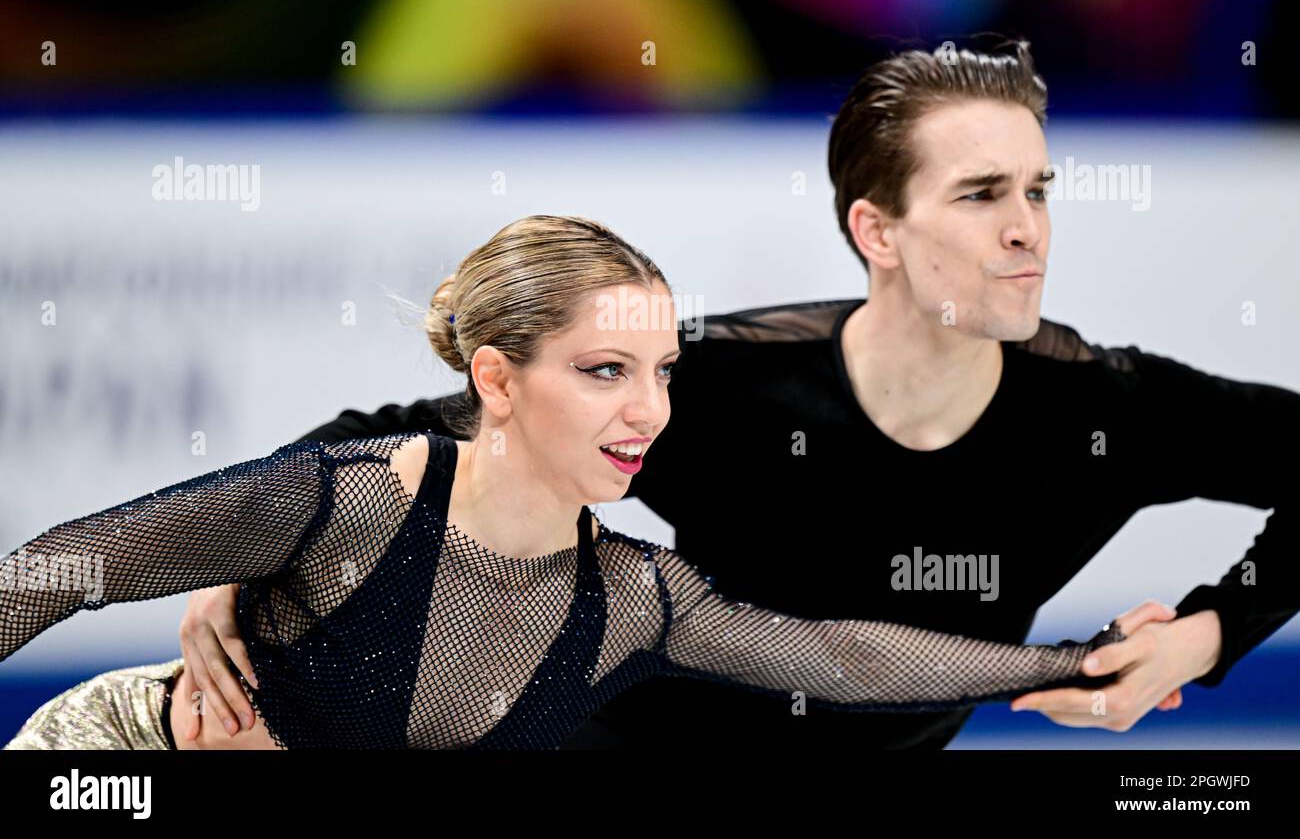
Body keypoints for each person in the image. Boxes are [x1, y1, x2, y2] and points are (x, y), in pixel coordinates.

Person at [178, 41, 1298, 751]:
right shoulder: (722, 380)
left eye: (1038, 191)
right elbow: (399, 438)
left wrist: (1207, 633)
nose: (1026, 229)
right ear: (878, 231)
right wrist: (238, 551)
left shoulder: (1103, 411)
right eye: (980, 194)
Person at [1, 215, 1130, 750]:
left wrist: (1063, 663)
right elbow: (61, 567)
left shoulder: (635, 598)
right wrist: (219, 574)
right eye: (604, 372)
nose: (648, 409)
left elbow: (842, 652)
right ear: (496, 378)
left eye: (661, 373)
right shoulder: (353, 501)